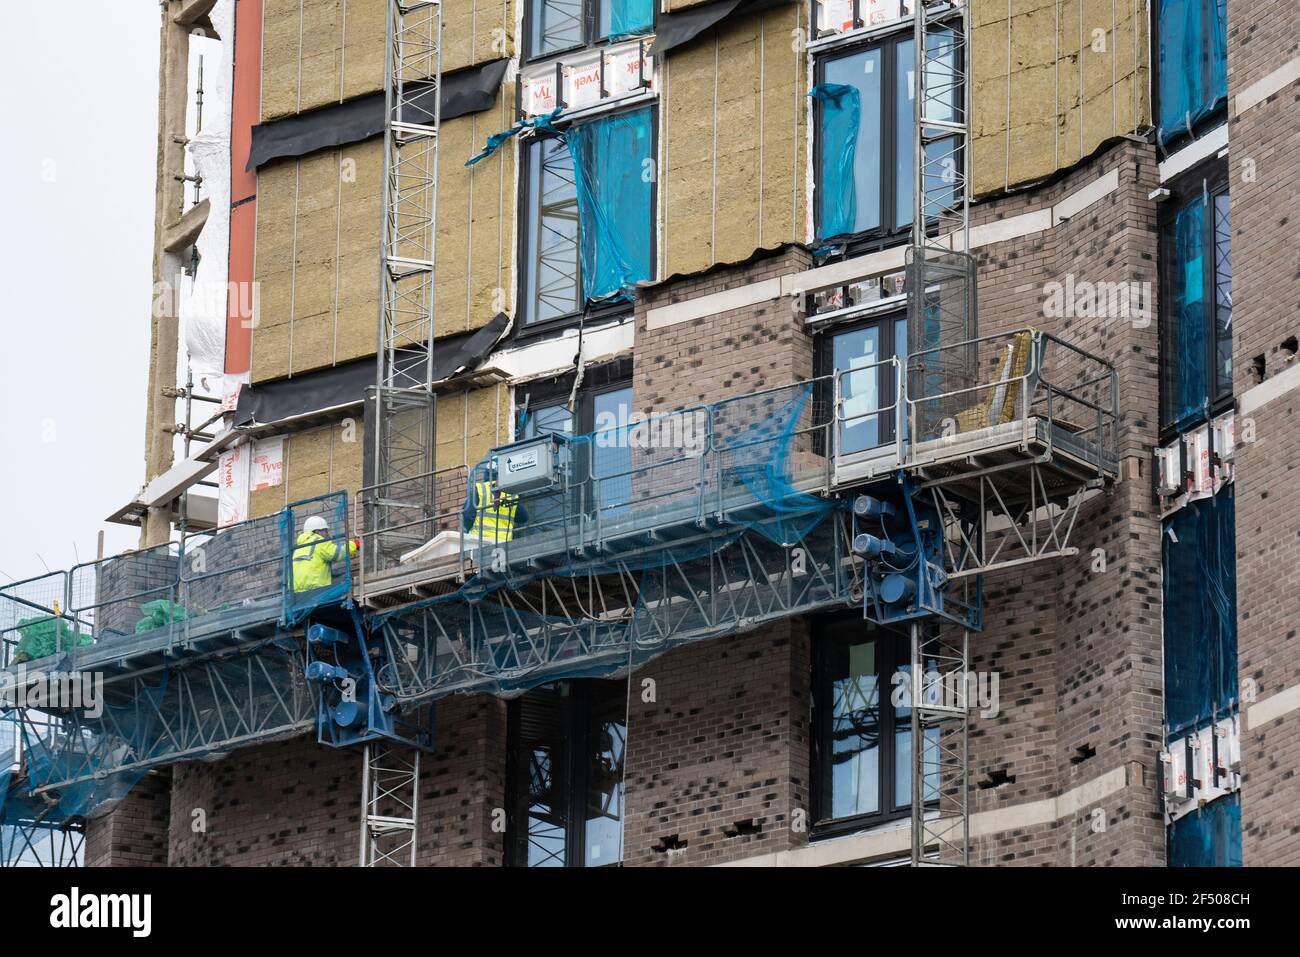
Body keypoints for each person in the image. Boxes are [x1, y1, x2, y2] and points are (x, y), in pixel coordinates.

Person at [292, 515, 359, 592]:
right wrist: (354, 545)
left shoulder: (298, 548)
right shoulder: (319, 541)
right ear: (317, 531)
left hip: (297, 593)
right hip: (315, 588)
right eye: (325, 530)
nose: (327, 534)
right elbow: (337, 554)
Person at [462, 469, 526, 544]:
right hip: (503, 543)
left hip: (479, 541)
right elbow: (524, 517)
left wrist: (469, 528)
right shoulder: (511, 495)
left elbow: (467, 514)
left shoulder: (480, 490)